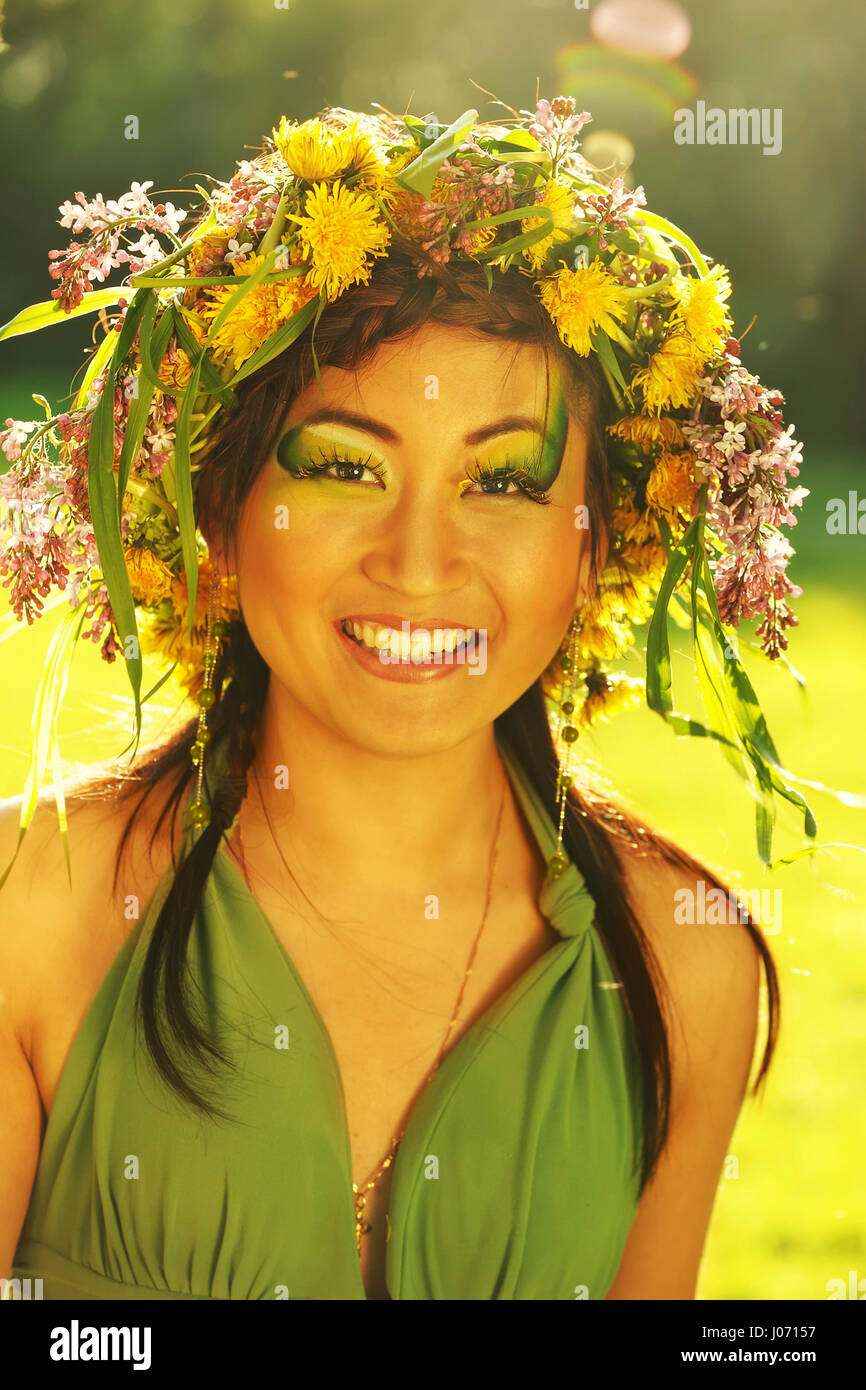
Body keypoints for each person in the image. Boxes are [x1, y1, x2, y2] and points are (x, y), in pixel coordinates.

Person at [0, 97, 801, 1300]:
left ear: (597, 547)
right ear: (215, 506)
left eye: (503, 482)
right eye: (342, 467)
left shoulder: (684, 970)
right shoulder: (35, 911)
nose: (419, 563)